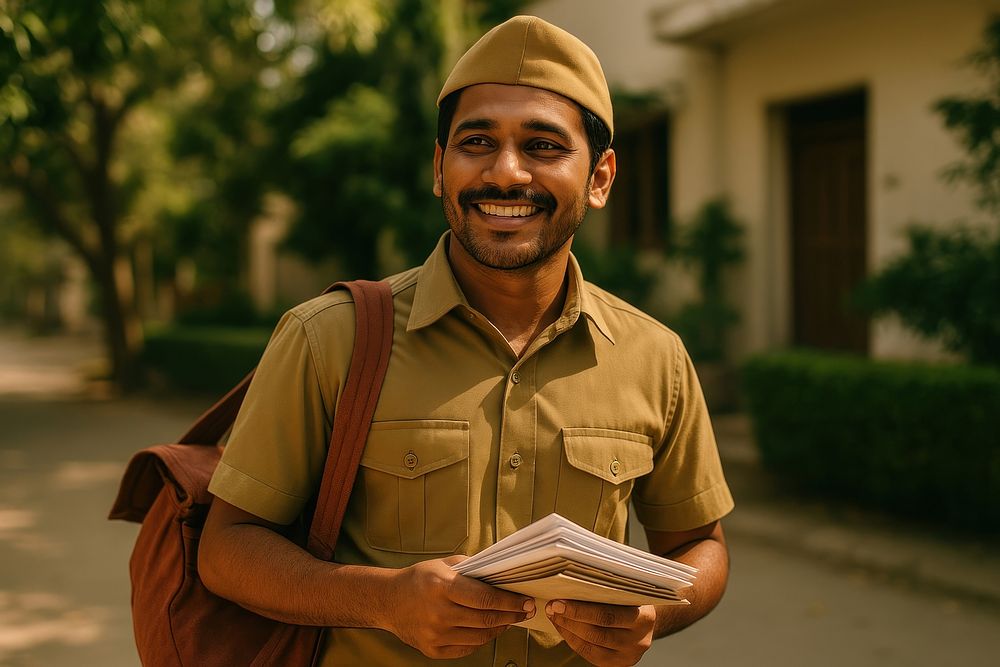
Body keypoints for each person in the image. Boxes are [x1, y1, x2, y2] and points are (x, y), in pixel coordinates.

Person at [199, 15, 734, 667]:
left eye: (543, 146)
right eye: (477, 141)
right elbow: (227, 547)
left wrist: (652, 614)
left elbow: (701, 547)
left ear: (600, 177)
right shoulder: (329, 338)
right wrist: (383, 599)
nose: (505, 173)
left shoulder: (656, 358)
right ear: (439, 167)